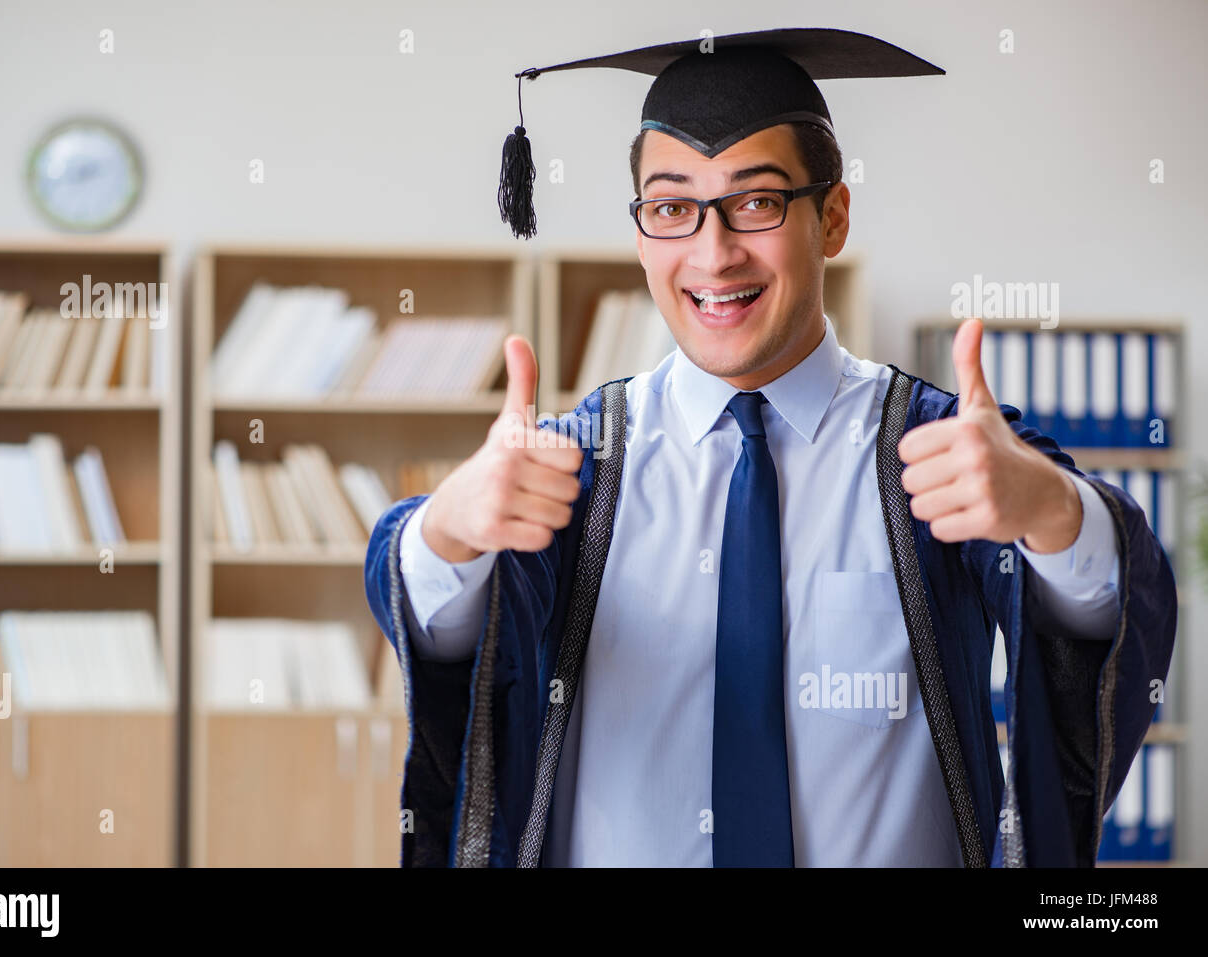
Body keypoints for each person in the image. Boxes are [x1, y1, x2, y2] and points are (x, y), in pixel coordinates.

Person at [363, 28, 1177, 867]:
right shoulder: (572, 476)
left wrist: (1049, 508)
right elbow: (448, 636)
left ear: (832, 217)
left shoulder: (941, 455)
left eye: (757, 202)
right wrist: (448, 530)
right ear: (642, 233)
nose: (714, 254)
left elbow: (1109, 611)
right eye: (673, 207)